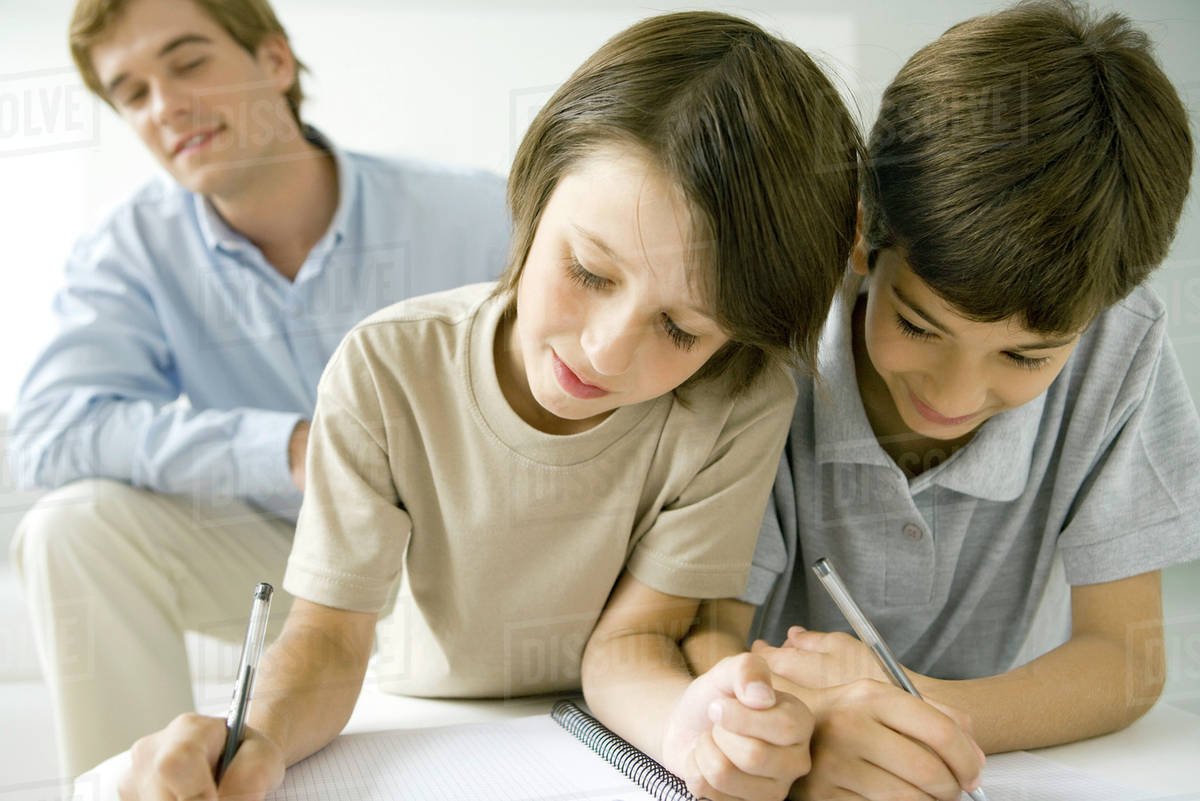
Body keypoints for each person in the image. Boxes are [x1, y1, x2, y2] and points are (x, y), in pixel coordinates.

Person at [116, 11, 864, 801]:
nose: (605, 352)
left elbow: (638, 639)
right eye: (588, 271)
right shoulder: (388, 367)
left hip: (602, 739)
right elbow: (331, 638)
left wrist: (696, 725)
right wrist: (257, 736)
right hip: (414, 728)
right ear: (533, 194)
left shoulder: (737, 400)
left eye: (679, 327)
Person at [682, 2, 1200, 799]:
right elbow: (702, 631)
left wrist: (908, 710)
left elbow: (1127, 660)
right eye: (919, 325)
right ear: (862, 233)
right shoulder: (777, 335)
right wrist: (788, 725)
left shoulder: (1121, 348)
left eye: (1026, 356)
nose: (955, 394)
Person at [7, 0, 509, 778]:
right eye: (132, 93)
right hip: (279, 557)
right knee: (70, 525)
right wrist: (284, 448)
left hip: (460, 563)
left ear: (274, 61)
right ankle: (155, 787)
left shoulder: (476, 212)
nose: (166, 106)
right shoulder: (129, 250)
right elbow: (46, 430)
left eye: (188, 61)